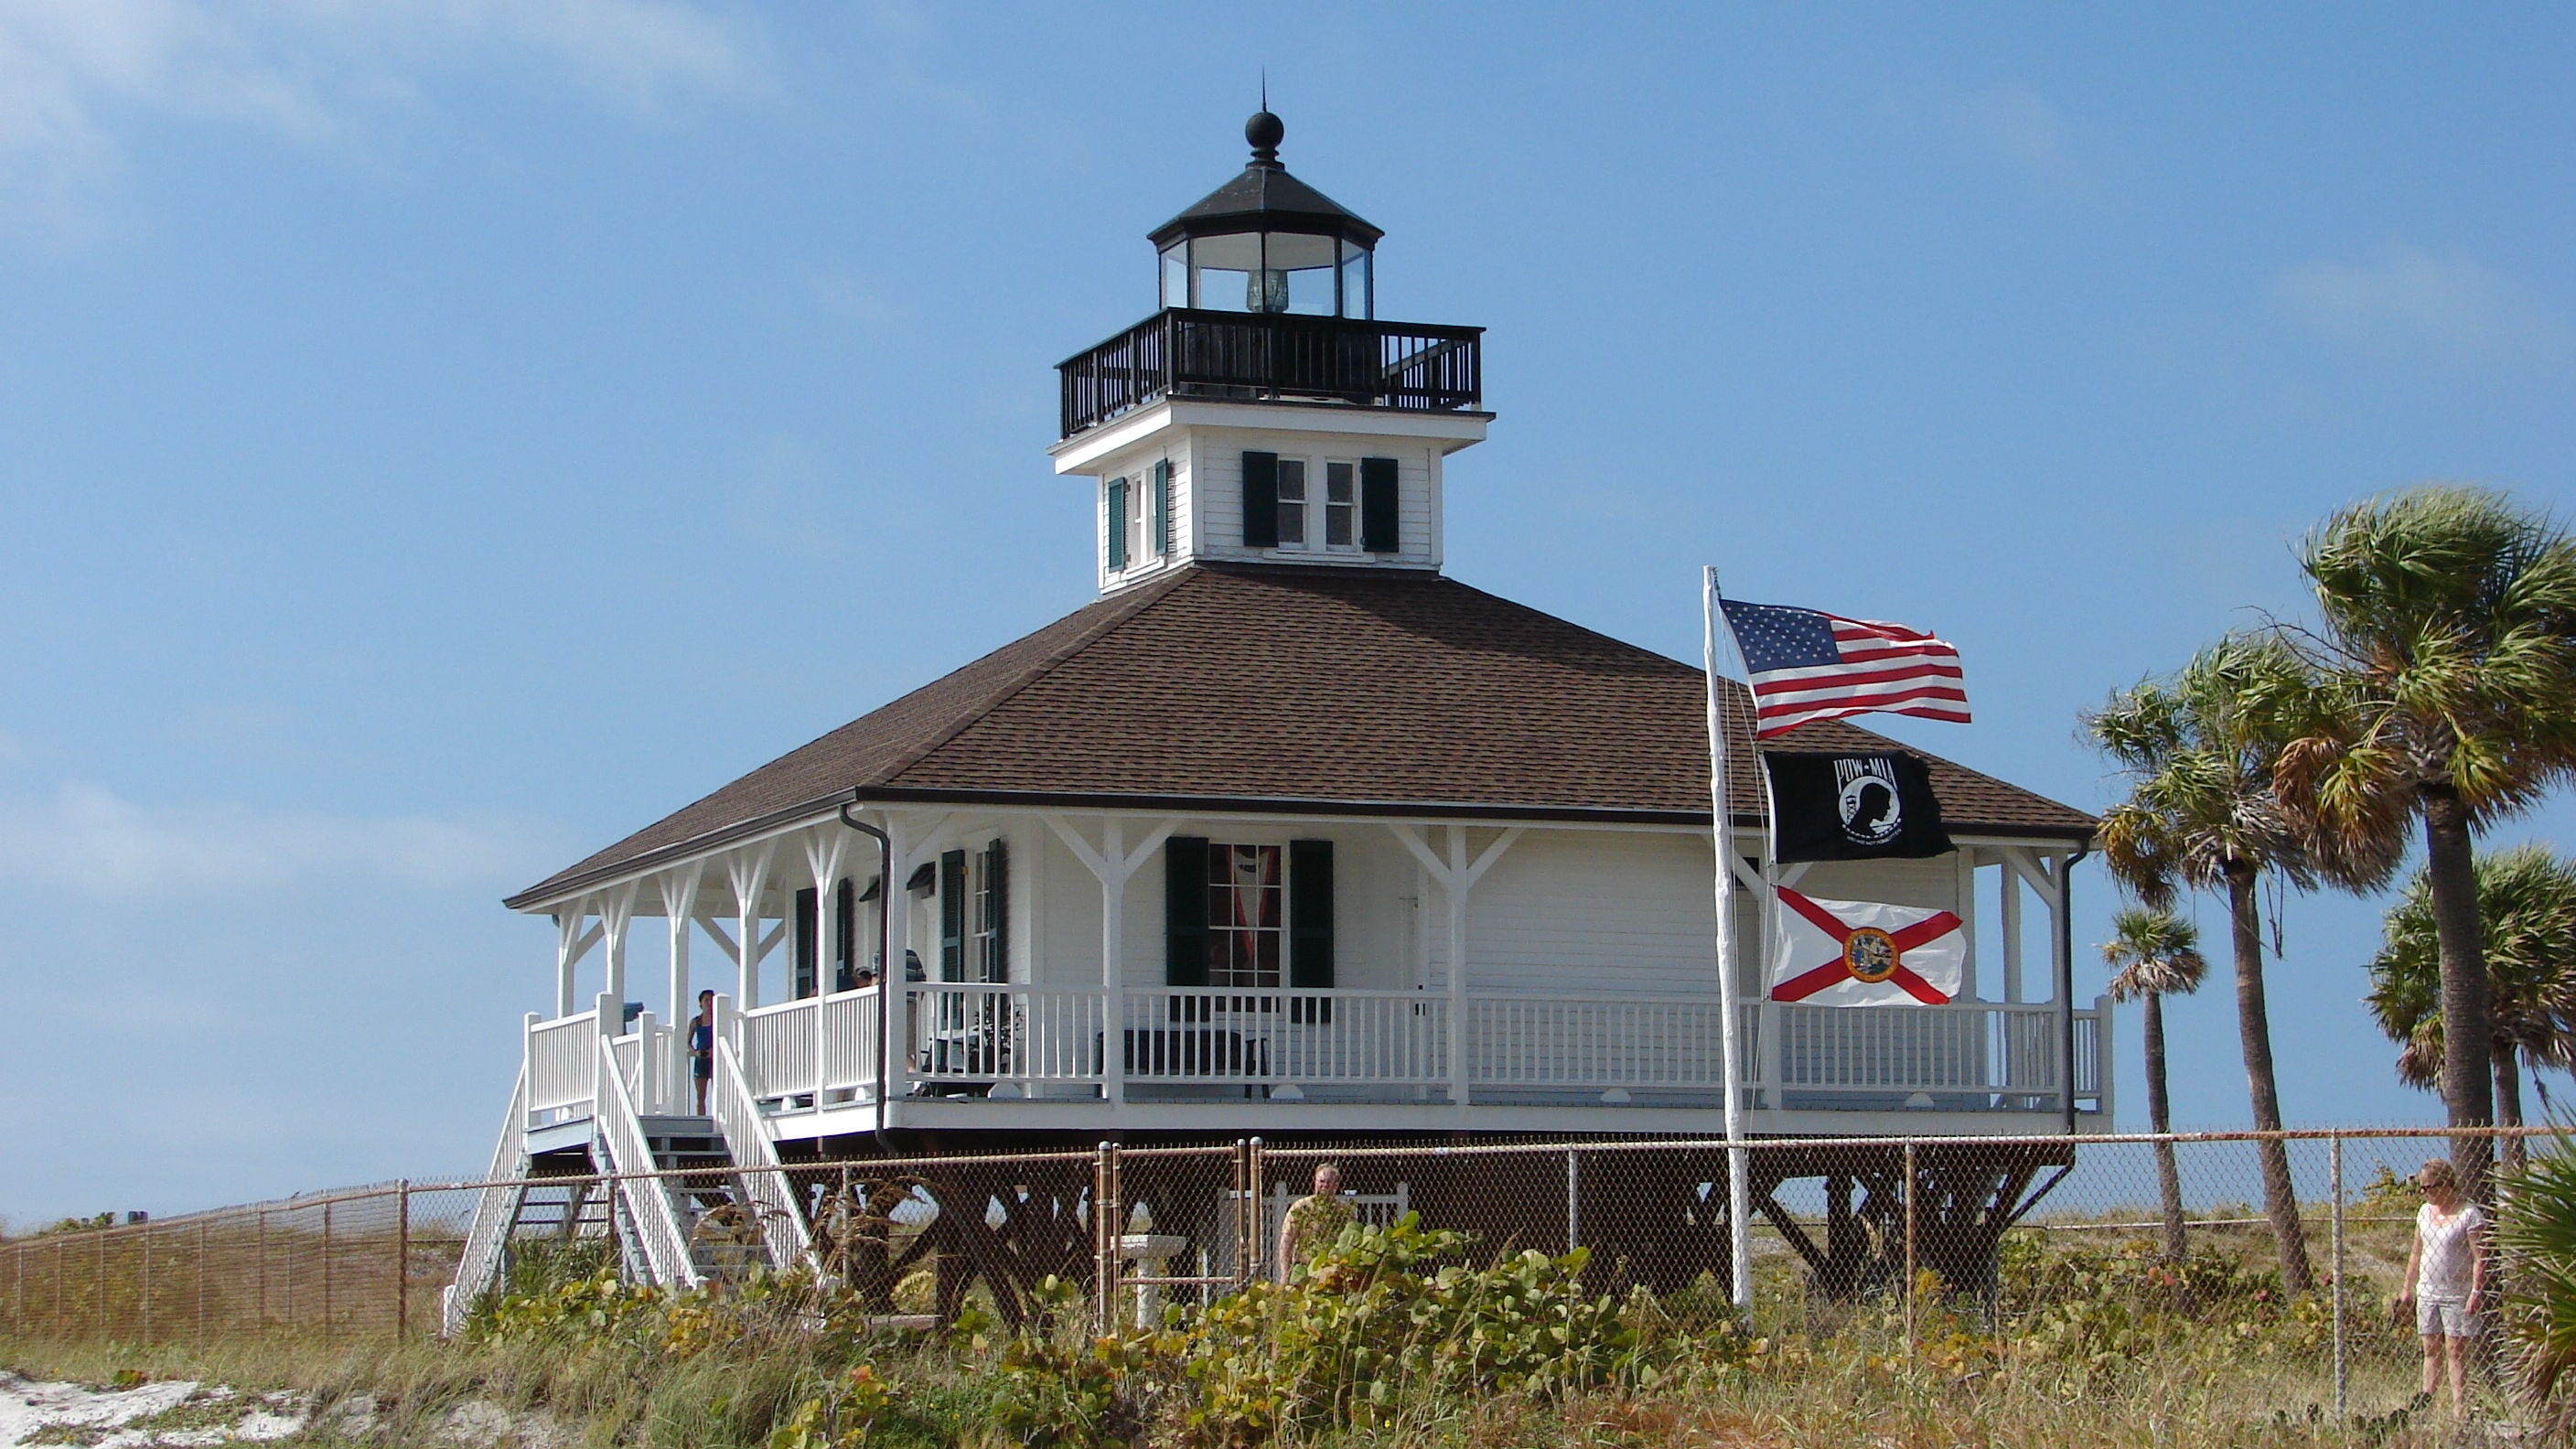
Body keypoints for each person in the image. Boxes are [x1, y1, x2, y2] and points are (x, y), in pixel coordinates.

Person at [2397, 1157, 2488, 1413]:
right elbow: (2416, 1253)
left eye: (2430, 1187)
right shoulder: (2424, 1213)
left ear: (2447, 1184)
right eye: (2422, 1188)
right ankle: (2426, 1406)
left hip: (2457, 1294)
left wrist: (2476, 1291)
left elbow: (2480, 1258)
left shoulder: (2469, 1215)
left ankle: (2460, 1411)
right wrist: (2407, 1287)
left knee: (2455, 1351)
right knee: (2430, 1348)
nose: (2425, 1193)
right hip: (2427, 1292)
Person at [1277, 1162, 1355, 1282]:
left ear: (1336, 1185)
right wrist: (1285, 1274)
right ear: (1315, 1182)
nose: (1325, 1185)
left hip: (1332, 1269)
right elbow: (1286, 1242)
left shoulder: (1343, 1212)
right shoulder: (1300, 1208)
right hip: (1304, 1267)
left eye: (1329, 1182)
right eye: (1321, 1181)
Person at [691, 989, 717, 1113]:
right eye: (706, 1000)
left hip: (714, 1059)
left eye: (711, 1000)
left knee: (717, 1092)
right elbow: (687, 1042)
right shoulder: (696, 1021)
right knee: (701, 1095)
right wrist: (696, 1052)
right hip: (701, 1059)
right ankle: (700, 1117)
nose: (709, 1003)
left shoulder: (717, 1020)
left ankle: (718, 1117)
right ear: (700, 1003)